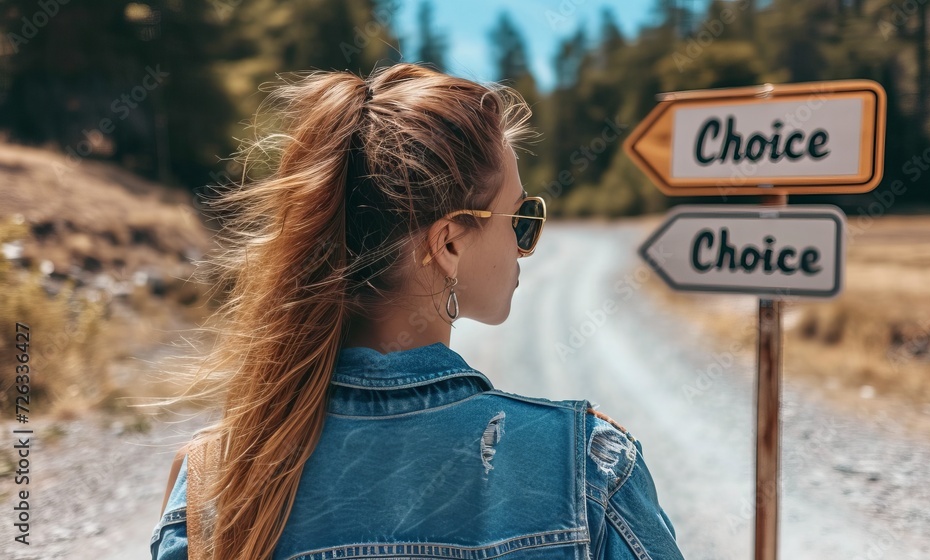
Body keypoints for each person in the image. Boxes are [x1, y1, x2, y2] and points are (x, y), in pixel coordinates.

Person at [149, 63, 684, 560]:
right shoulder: (589, 467)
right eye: (519, 216)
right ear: (448, 243)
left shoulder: (216, 481)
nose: (525, 242)